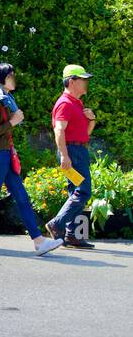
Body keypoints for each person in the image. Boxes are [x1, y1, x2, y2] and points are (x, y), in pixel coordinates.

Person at [0, 65, 63, 256]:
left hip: (3, 153)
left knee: (22, 197)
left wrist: (10, 143)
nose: (14, 78)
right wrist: (12, 122)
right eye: (10, 75)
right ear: (1, 79)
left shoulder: (1, 97)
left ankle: (39, 241)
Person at [46, 65, 98, 249]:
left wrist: (91, 120)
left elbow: (84, 133)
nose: (86, 82)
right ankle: (57, 224)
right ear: (71, 81)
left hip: (78, 150)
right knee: (83, 191)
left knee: (74, 191)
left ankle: (71, 235)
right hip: (71, 152)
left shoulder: (77, 103)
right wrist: (64, 156)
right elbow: (58, 130)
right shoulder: (65, 103)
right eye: (82, 79)